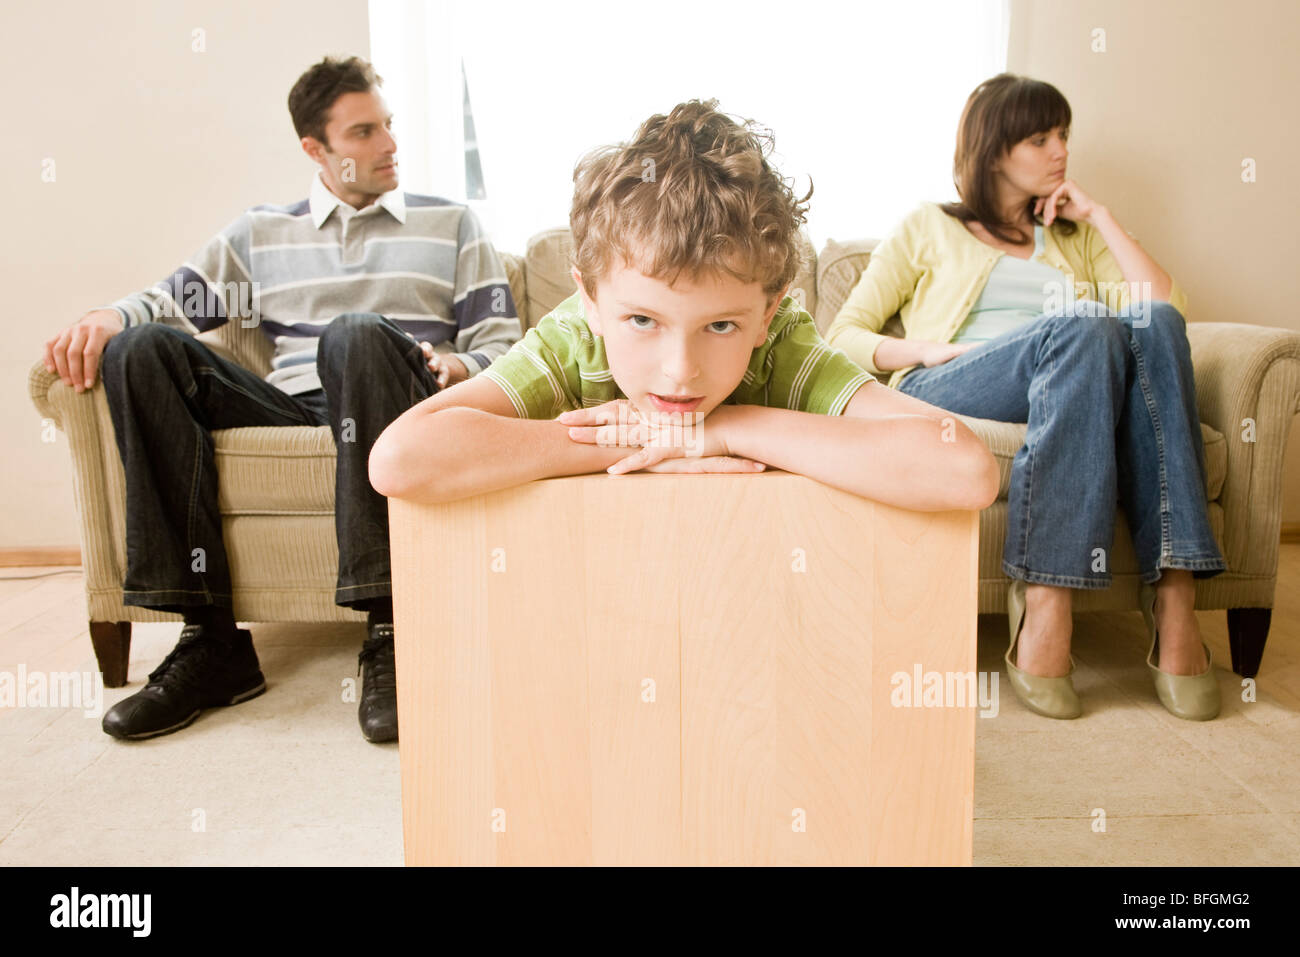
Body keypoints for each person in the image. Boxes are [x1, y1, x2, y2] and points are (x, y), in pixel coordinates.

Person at [41, 55, 521, 743]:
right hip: (299, 408)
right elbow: (169, 301)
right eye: (363, 132)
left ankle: (392, 630)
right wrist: (110, 316)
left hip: (401, 398)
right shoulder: (262, 232)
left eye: (388, 125)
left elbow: (503, 345)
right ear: (315, 149)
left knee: (353, 335)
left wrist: (455, 364)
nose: (389, 144)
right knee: (140, 348)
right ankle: (211, 644)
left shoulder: (450, 224)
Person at [368, 100, 998, 521]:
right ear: (590, 298)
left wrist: (726, 429)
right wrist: (637, 440)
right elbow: (400, 457)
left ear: (767, 312)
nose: (679, 372)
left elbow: (963, 469)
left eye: (720, 325)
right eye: (642, 321)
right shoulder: (574, 340)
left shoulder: (782, 345)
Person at [825, 73, 1225, 721]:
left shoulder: (1075, 239)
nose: (1060, 150)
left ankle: (1175, 591)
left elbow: (1166, 310)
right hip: (957, 383)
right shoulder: (929, 226)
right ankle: (1047, 591)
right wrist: (925, 349)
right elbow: (840, 338)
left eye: (1063, 135)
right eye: (1040, 138)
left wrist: (1097, 216)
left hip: (1074, 380)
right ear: (993, 151)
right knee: (1083, 322)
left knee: (1138, 324)